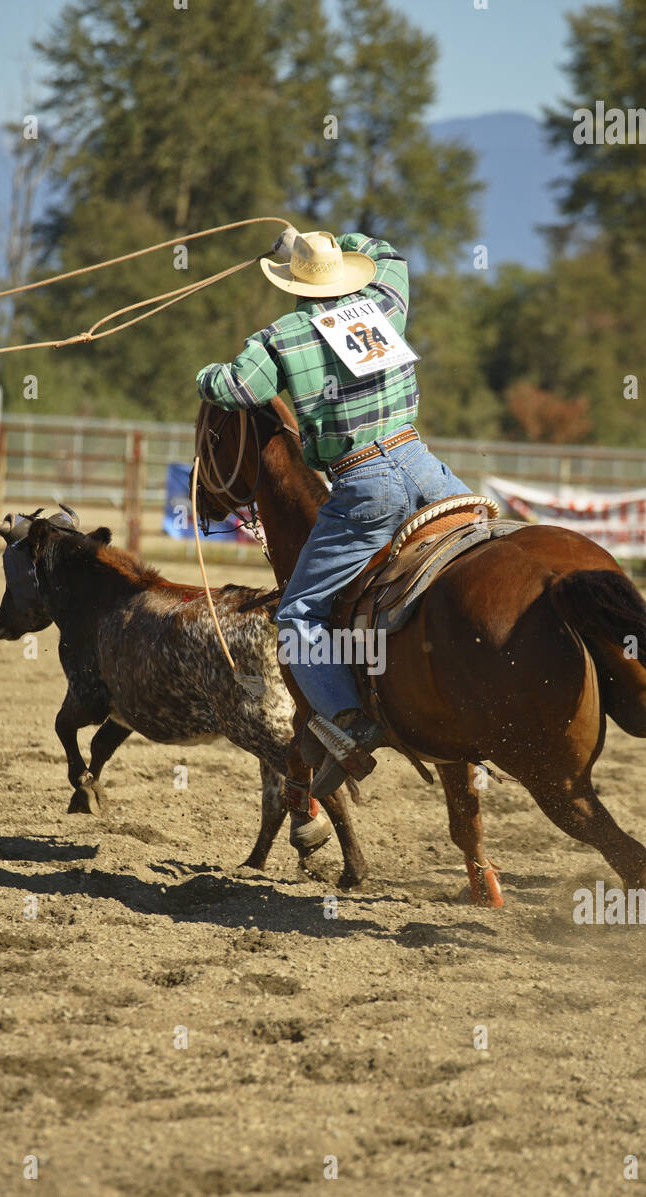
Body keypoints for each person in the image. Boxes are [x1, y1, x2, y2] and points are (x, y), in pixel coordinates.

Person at [196, 226, 471, 798]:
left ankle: (350, 720)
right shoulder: (381, 303)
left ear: (293, 283)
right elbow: (389, 253)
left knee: (298, 616)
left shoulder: (282, 338)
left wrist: (202, 375)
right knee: (476, 548)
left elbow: (233, 386)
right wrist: (316, 240)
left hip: (364, 484)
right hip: (424, 466)